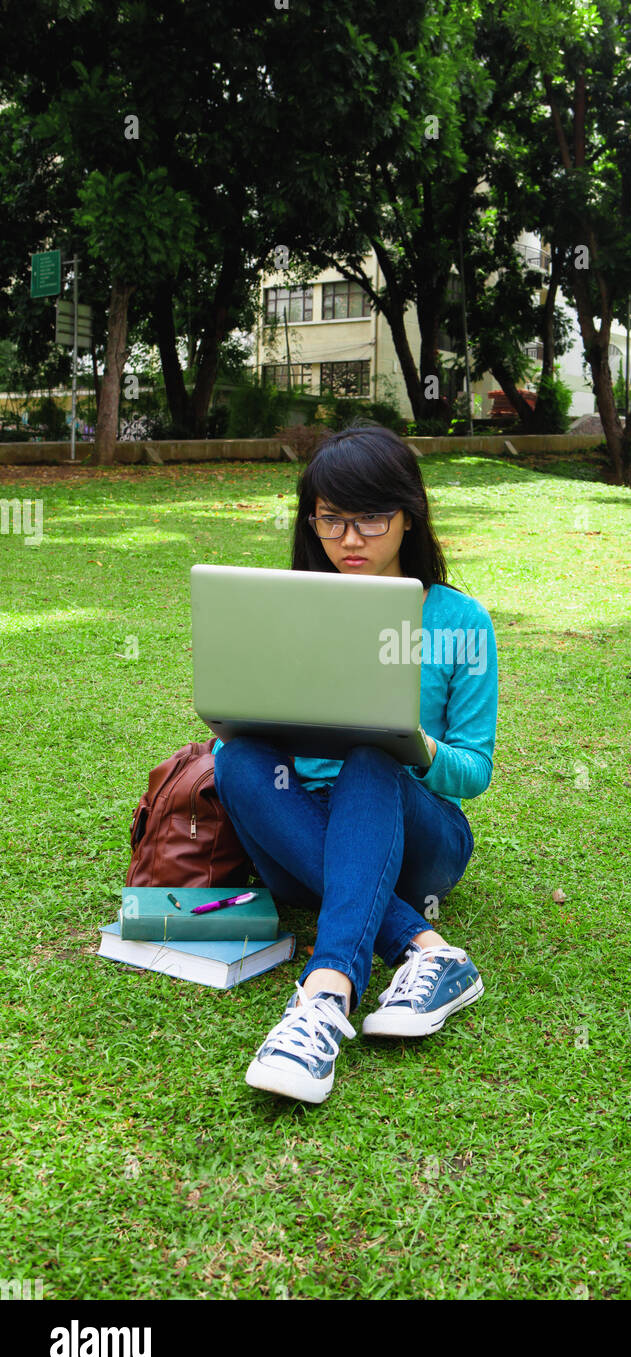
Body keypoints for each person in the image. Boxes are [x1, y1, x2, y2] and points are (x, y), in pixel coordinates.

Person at [211, 423, 498, 1104]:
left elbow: (475, 771)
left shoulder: (460, 621)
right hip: (304, 844)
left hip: (420, 841)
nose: (348, 540)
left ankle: (325, 990)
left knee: (372, 755)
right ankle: (429, 951)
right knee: (236, 758)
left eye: (370, 518)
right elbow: (246, 738)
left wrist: (413, 744)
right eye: (331, 519)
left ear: (409, 516)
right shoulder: (289, 611)